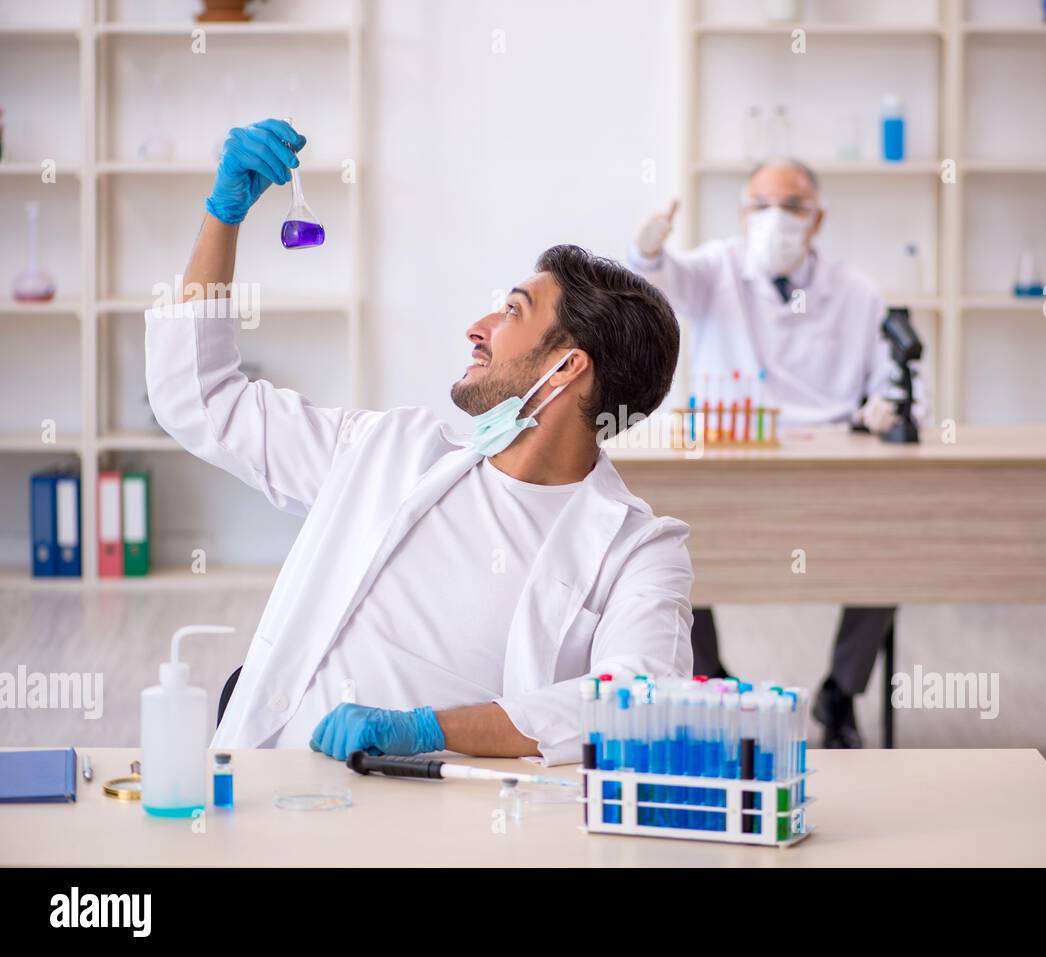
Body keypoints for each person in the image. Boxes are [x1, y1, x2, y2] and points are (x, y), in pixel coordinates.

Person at [148, 119, 692, 765]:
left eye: (512, 311)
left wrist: (432, 730)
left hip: (431, 825)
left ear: (568, 366)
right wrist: (222, 218)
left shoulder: (638, 551)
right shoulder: (386, 451)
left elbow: (641, 702)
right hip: (261, 786)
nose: (478, 327)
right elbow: (201, 398)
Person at [626, 158, 926, 748]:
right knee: (677, 545)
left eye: (792, 206)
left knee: (889, 549)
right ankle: (714, 682)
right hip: (733, 456)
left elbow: (898, 379)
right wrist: (647, 255)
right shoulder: (717, 268)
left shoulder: (856, 291)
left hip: (831, 465)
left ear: (818, 220)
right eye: (762, 204)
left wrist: (885, 408)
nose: (776, 219)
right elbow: (655, 288)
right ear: (743, 213)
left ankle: (840, 695)